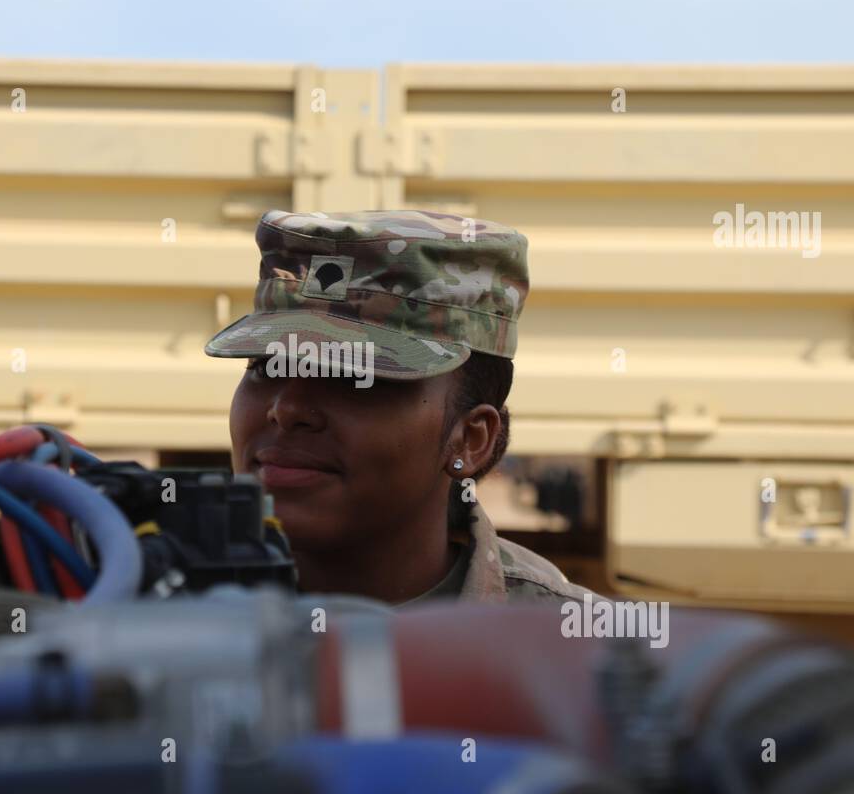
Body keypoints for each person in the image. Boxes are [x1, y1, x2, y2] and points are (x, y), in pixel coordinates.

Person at [205, 209, 593, 606]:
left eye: (356, 377)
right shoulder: (151, 611)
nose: (287, 408)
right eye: (266, 367)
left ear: (470, 439)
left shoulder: (573, 646)